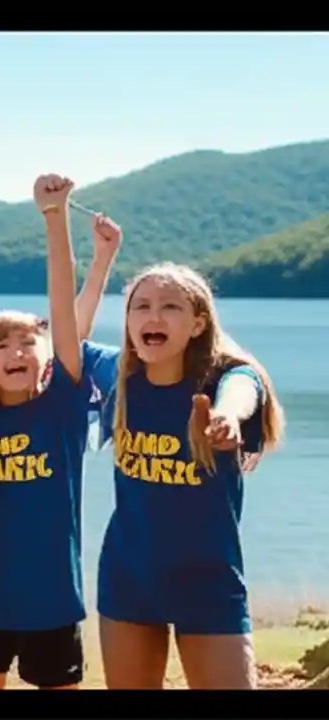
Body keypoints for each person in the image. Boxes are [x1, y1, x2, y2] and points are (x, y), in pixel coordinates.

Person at [0, 175, 124, 690]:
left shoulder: (63, 406)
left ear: (48, 357)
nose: (17, 353)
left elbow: (62, 310)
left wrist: (56, 219)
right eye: (1, 346)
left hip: (54, 601)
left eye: (29, 343)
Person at [96, 257, 286, 690]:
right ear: (127, 320)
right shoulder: (118, 379)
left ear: (198, 324)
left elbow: (244, 389)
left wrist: (226, 418)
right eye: (140, 306)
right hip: (128, 575)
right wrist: (60, 224)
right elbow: (68, 334)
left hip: (208, 580)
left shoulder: (224, 379)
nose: (154, 315)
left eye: (171, 306)